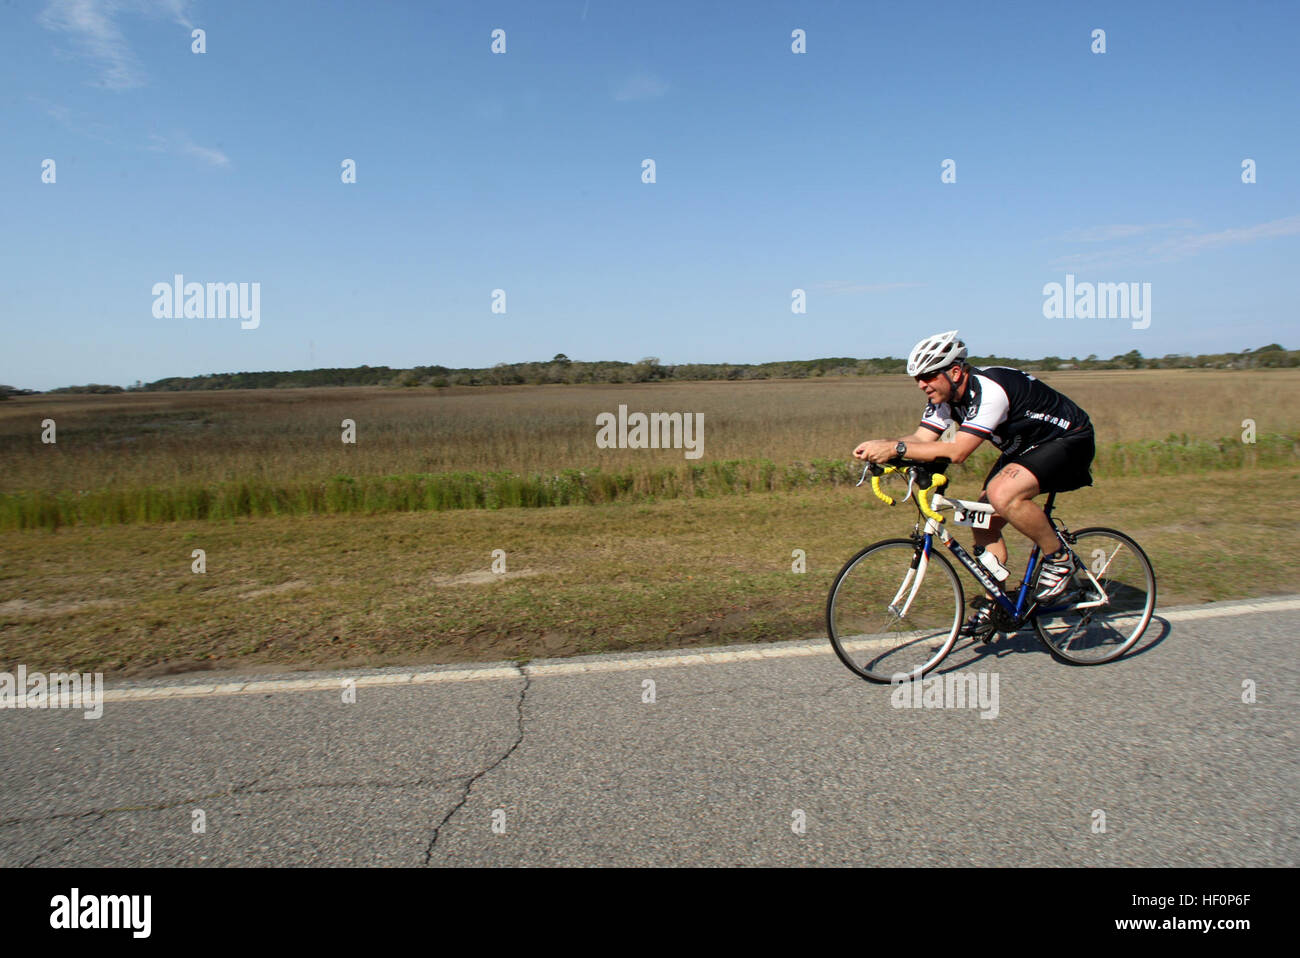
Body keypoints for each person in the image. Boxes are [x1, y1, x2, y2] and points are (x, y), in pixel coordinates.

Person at [852, 330, 1096, 637]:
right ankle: (999, 604)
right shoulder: (945, 400)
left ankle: (1058, 560)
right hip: (1026, 449)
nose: (921, 385)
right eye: (917, 378)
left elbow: (958, 451)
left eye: (927, 376)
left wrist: (896, 449)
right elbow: (921, 440)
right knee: (982, 518)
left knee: (1001, 494)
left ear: (954, 372)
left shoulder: (989, 390)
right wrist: (882, 447)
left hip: (1068, 439)